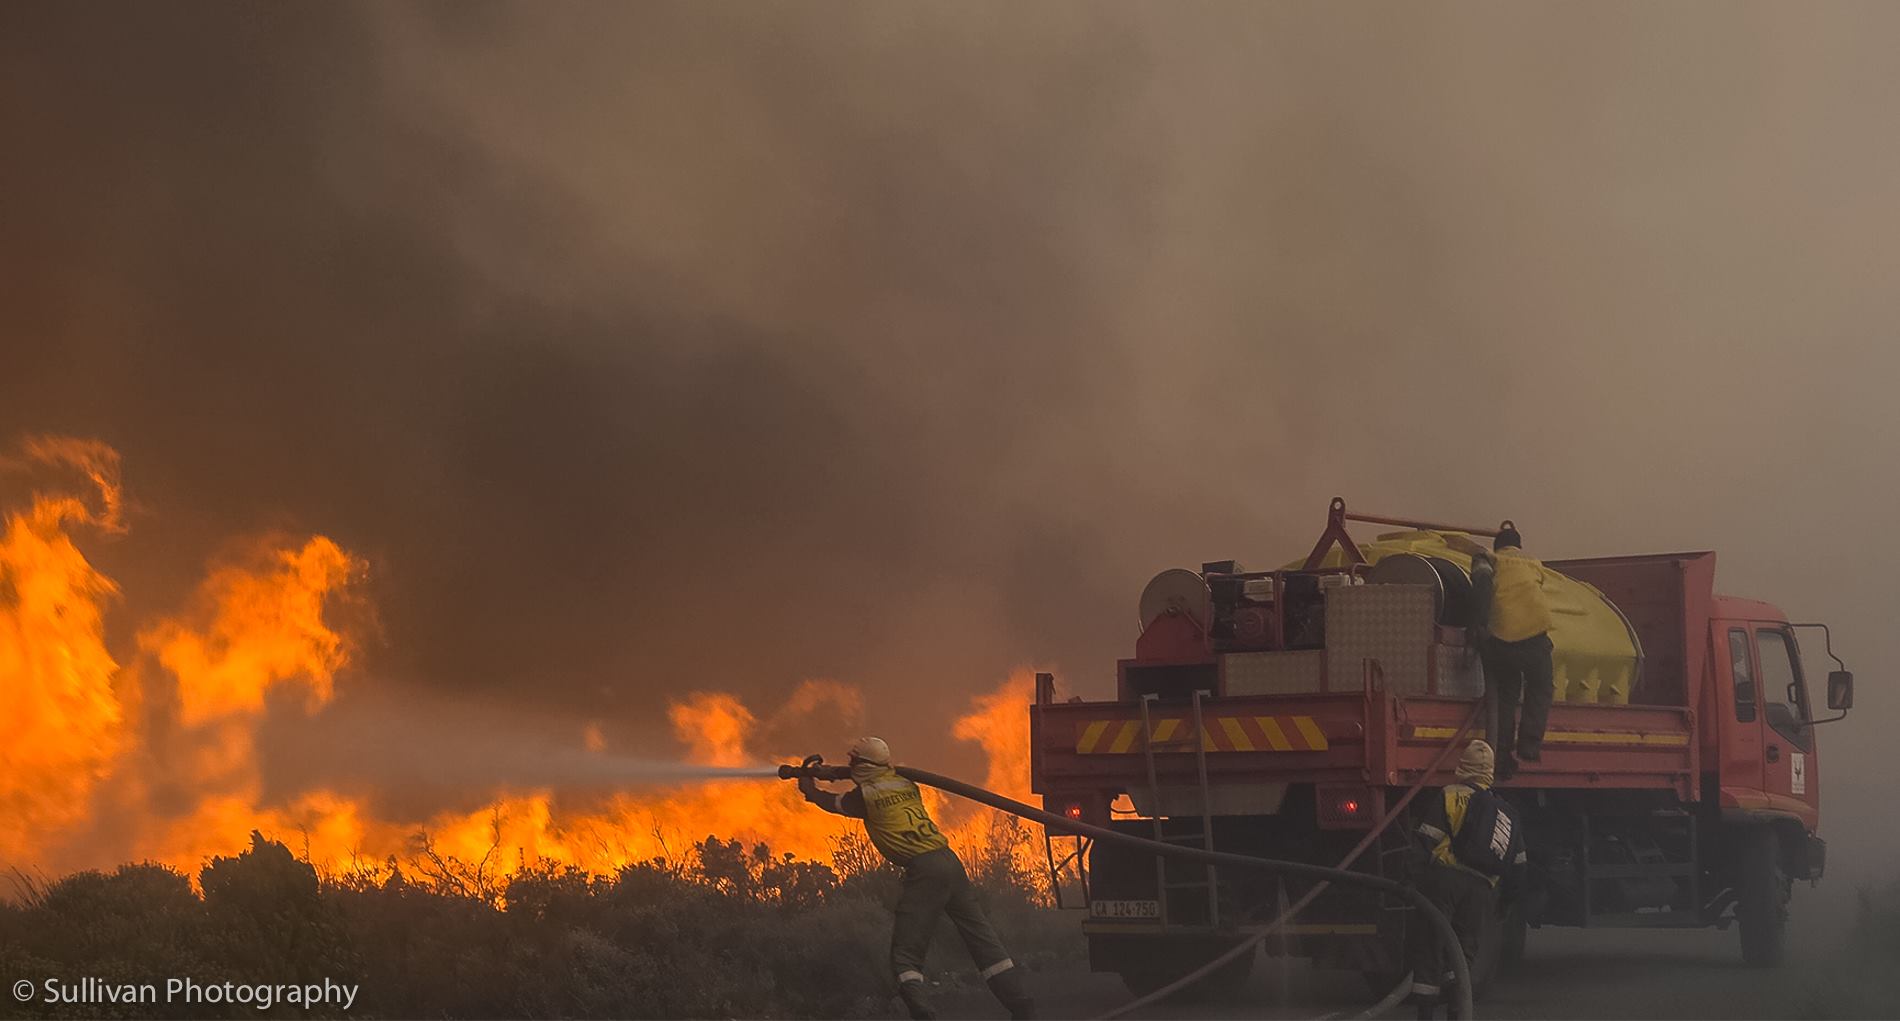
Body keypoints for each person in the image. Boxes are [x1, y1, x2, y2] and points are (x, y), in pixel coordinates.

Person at [798, 736, 1035, 1021]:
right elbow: (871, 778)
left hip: (925, 870)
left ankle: (923, 1013)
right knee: (983, 940)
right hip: (950, 861)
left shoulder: (866, 797)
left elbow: (834, 803)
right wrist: (833, 772)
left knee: (905, 954)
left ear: (863, 766)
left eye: (853, 762)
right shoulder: (906, 783)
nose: (849, 765)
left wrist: (809, 787)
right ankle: (1022, 1006)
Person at [1408, 740, 1526, 1019]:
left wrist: (1409, 882)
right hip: (1481, 888)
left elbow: (1425, 840)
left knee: (1431, 946)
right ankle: (1457, 1011)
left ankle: (1425, 1015)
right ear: (1490, 771)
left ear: (1462, 765)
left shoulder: (1448, 796)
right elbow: (1519, 865)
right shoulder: (1504, 812)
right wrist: (1506, 903)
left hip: (1443, 882)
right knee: (1463, 954)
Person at [1468, 522, 1554, 779]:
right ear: (1518, 545)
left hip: (1501, 638)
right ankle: (1529, 746)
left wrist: (1478, 627)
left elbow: (1481, 588)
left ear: (1498, 545)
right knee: (1541, 686)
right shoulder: (1533, 562)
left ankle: (1501, 760)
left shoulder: (1489, 559)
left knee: (1505, 698)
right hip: (1535, 638)